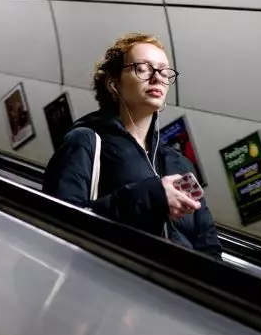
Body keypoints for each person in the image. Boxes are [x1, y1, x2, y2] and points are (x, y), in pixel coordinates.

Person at [43, 33, 221, 259]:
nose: (158, 78)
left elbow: (208, 244)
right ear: (113, 82)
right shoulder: (85, 141)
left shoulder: (177, 162)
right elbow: (57, 221)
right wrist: (153, 197)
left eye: (164, 71)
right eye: (143, 68)